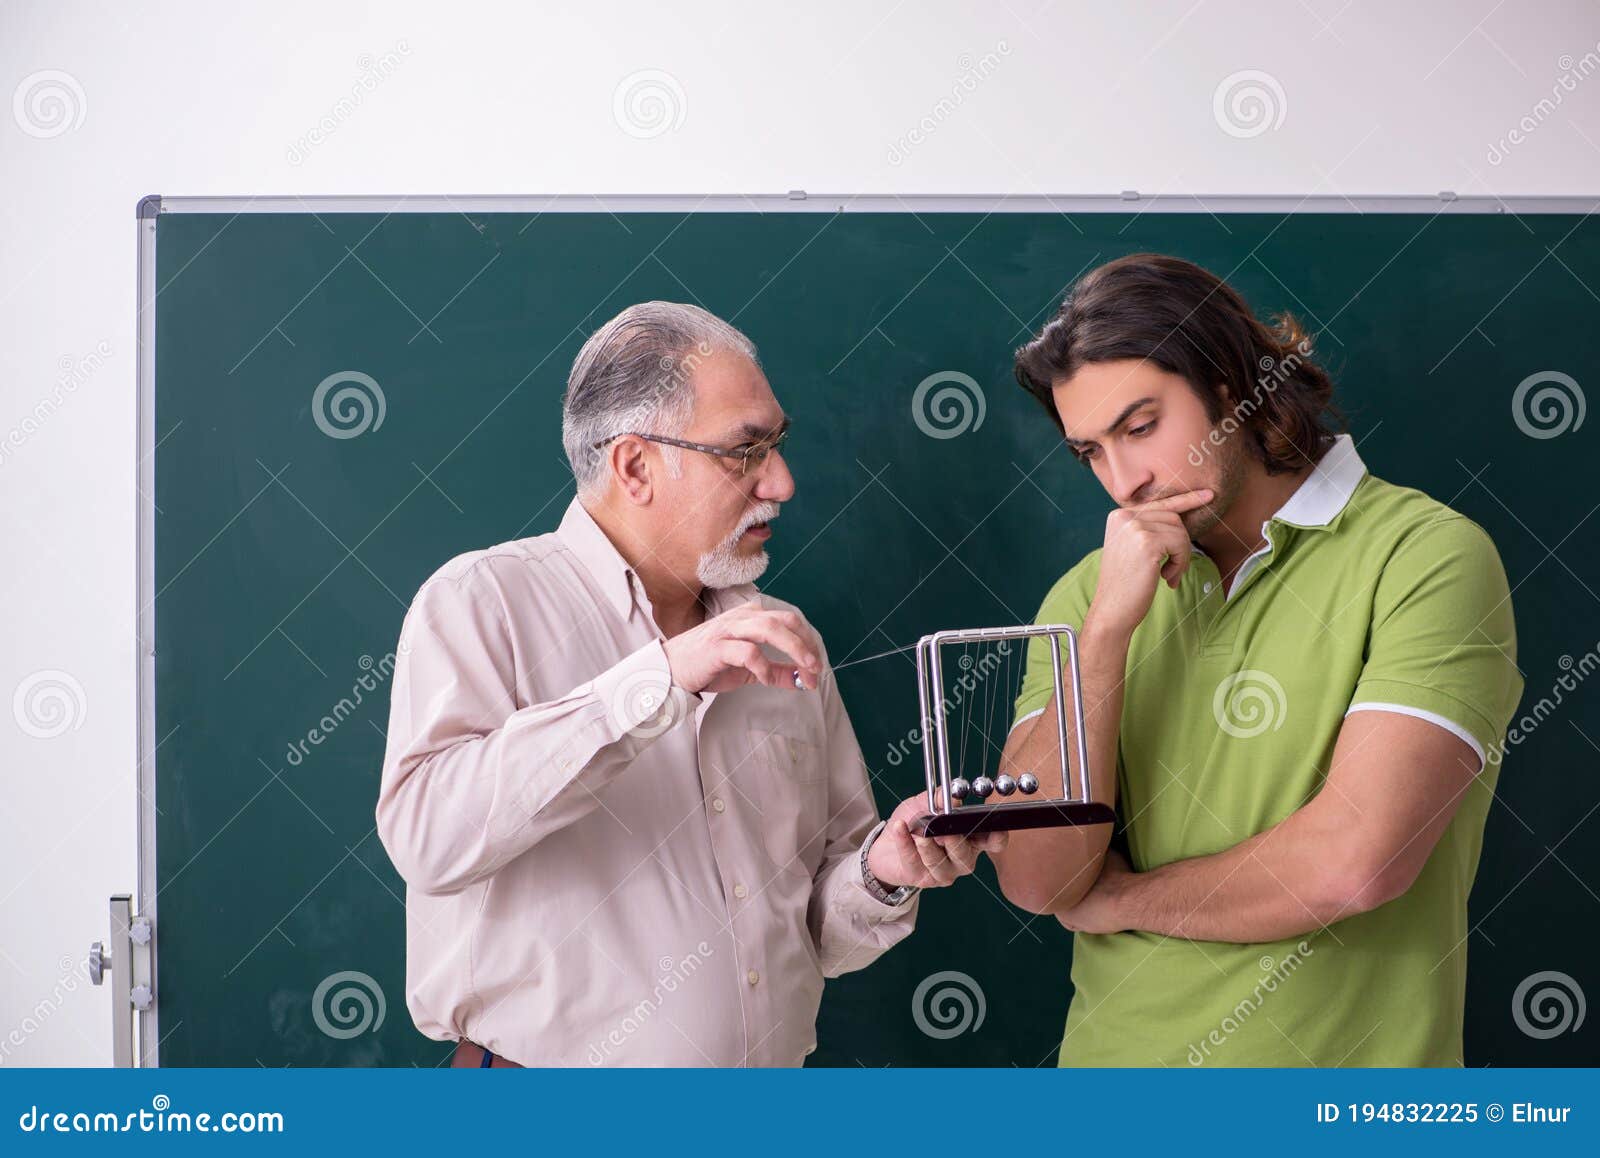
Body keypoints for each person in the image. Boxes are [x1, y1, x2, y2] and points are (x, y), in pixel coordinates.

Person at [376, 301, 1004, 1067]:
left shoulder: (783, 633)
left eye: (779, 445)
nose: (783, 482)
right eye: (745, 452)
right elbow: (429, 839)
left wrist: (883, 874)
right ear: (635, 466)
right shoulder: (484, 600)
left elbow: (810, 933)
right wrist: (660, 679)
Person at [993, 253, 1524, 1066]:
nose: (1124, 481)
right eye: (1089, 452)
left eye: (1140, 428)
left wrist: (1128, 898)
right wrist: (1104, 641)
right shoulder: (1088, 597)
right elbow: (1038, 881)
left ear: (1230, 384)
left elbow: (1355, 864)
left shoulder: (1427, 558)